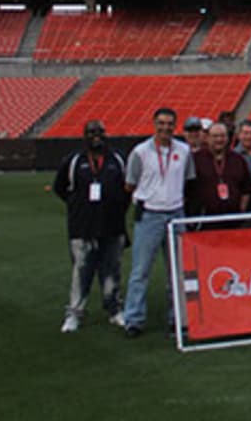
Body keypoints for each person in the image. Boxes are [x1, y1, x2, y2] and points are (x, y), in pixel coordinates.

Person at [122, 107, 196, 338]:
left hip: (176, 213)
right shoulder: (140, 151)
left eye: (169, 124)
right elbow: (129, 184)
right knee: (140, 270)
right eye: (161, 123)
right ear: (154, 124)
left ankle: (178, 319)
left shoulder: (183, 150)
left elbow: (188, 179)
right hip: (149, 215)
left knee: (177, 271)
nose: (165, 128)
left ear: (175, 126)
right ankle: (134, 318)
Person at [54, 120, 128, 333]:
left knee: (112, 270)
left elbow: (127, 189)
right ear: (84, 136)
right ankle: (75, 313)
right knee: (81, 271)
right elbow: (61, 188)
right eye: (91, 132)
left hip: (113, 226)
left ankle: (114, 309)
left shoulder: (117, 160)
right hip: (82, 228)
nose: (96, 136)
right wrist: (79, 207)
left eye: (100, 132)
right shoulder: (74, 161)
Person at [187, 122, 251, 222]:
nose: (219, 139)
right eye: (215, 136)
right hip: (204, 220)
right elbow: (187, 188)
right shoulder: (195, 159)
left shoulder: (238, 159)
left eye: (222, 136)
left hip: (233, 219)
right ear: (207, 138)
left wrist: (242, 210)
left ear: (228, 138)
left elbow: (246, 188)